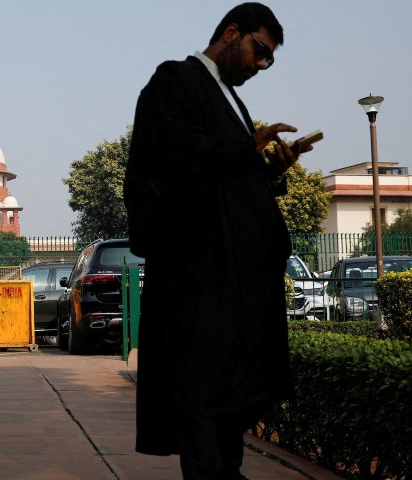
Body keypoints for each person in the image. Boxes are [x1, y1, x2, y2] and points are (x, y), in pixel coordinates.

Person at [123, 3, 314, 479]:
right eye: (260, 50)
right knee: (201, 386)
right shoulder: (175, 80)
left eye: (269, 58)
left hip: (240, 280)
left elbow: (222, 177)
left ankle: (226, 470)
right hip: (200, 277)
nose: (261, 65)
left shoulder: (231, 99)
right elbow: (169, 154)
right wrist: (243, 147)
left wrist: (268, 169)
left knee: (238, 385)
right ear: (232, 32)